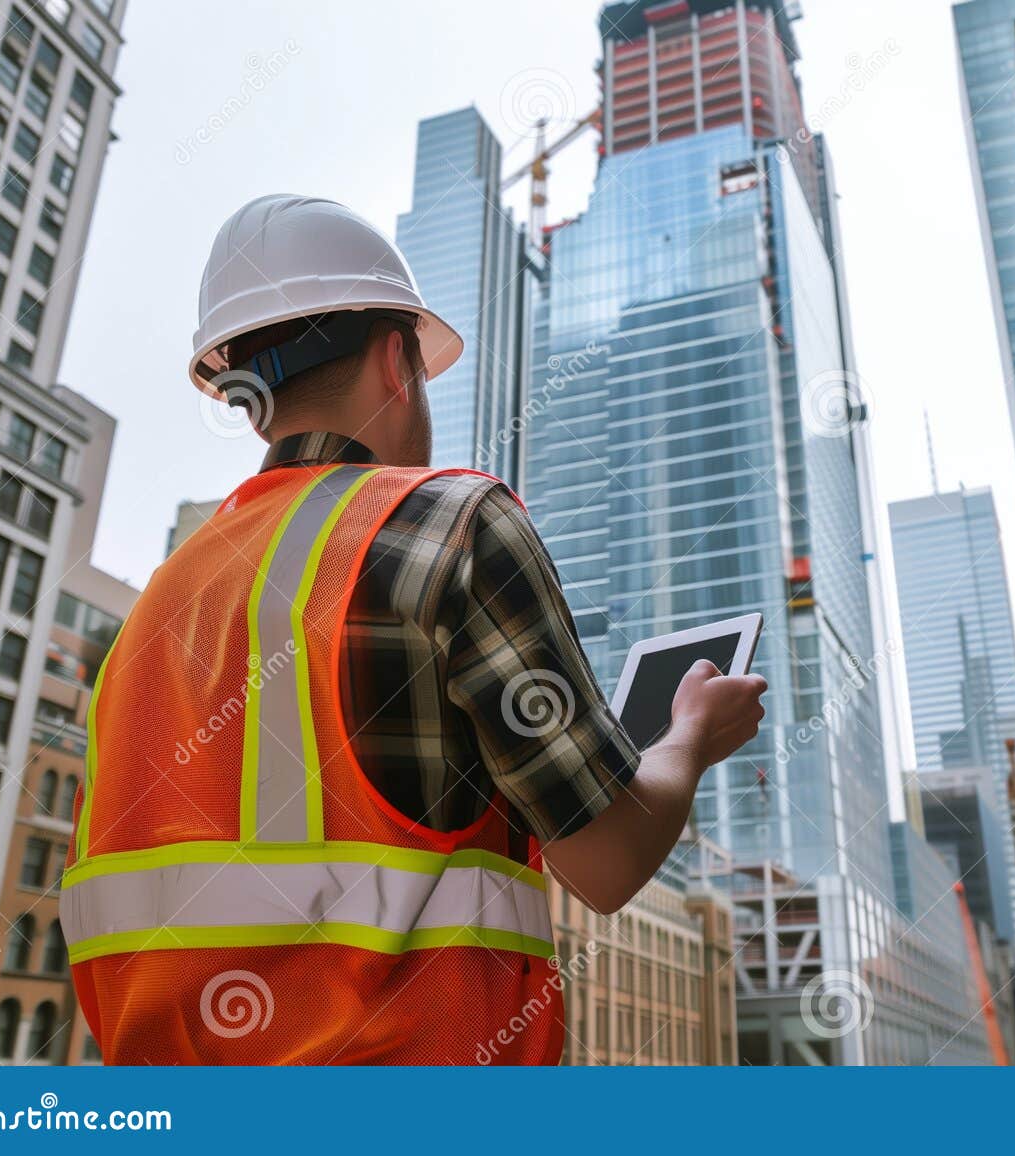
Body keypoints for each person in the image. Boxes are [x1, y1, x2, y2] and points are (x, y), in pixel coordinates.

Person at [61, 194, 766, 1064]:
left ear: (250, 401)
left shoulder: (156, 609)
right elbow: (608, 861)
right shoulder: (449, 522)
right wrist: (688, 739)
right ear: (399, 361)